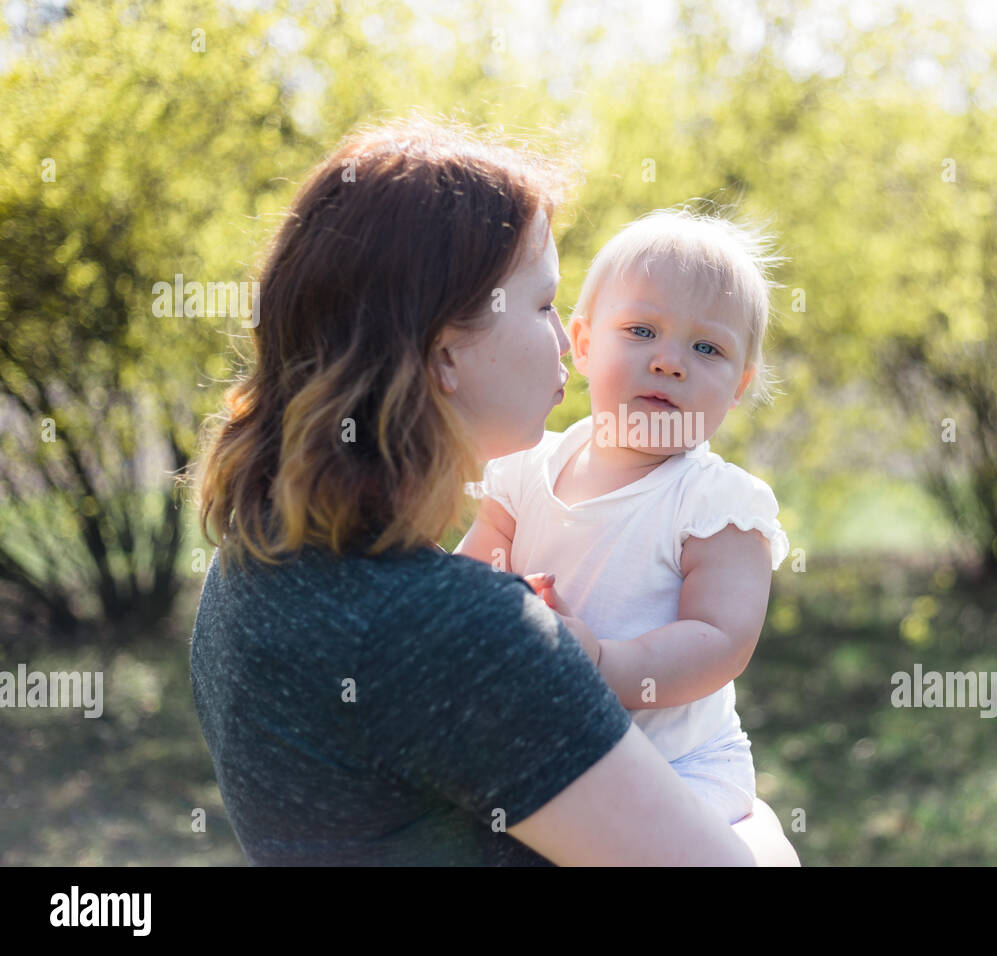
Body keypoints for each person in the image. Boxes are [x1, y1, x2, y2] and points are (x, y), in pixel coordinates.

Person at [186, 112, 799, 865]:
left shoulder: (248, 567)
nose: (564, 345)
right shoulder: (459, 634)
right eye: (545, 307)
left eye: (704, 348)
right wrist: (765, 843)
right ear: (446, 354)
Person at [456, 207, 789, 828]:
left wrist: (605, 666)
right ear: (582, 344)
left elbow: (720, 639)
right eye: (641, 332)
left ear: (738, 385)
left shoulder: (716, 505)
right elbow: (467, 579)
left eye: (706, 347)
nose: (670, 361)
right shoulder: (527, 468)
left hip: (680, 765)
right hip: (551, 752)